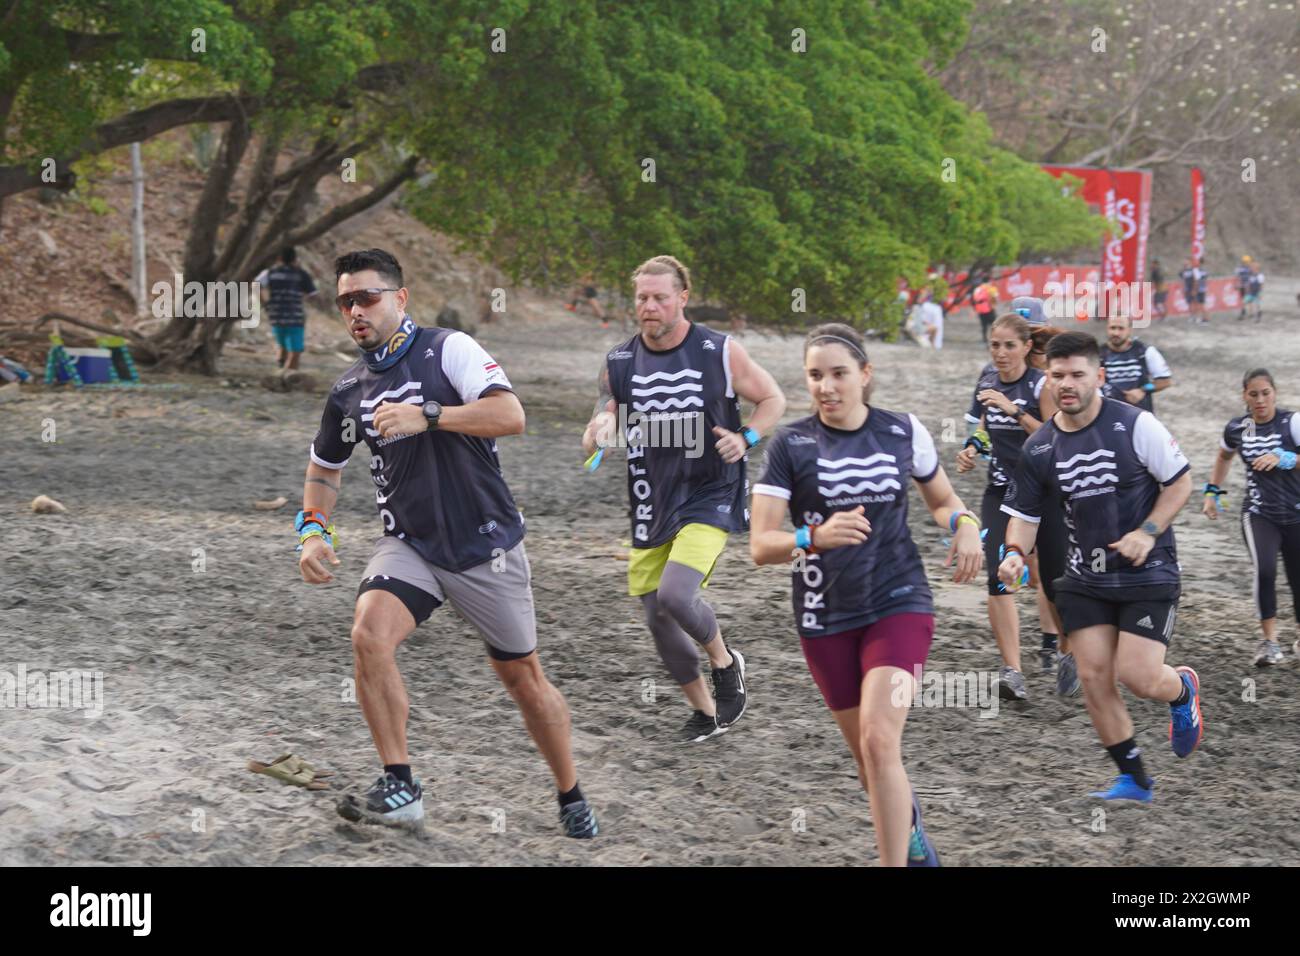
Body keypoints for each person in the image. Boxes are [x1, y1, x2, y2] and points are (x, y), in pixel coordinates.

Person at [298, 247, 598, 837]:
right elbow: (324, 470)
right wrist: (312, 531)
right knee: (368, 633)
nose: (355, 310)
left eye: (366, 297)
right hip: (409, 543)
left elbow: (511, 415)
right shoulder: (349, 389)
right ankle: (401, 785)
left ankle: (570, 790)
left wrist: (427, 414)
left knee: (524, 683)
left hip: (486, 546)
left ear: (400, 298)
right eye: (344, 302)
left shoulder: (448, 349)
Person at [750, 322, 982, 867]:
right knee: (866, 759)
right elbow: (761, 545)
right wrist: (814, 536)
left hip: (899, 601)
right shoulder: (791, 445)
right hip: (823, 614)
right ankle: (912, 826)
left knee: (881, 742)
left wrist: (966, 523)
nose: (826, 386)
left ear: (865, 375)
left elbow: (943, 498)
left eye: (838, 374)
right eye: (814, 376)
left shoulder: (903, 431)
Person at [582, 254, 786, 742]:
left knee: (677, 595)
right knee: (657, 614)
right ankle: (706, 711)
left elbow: (773, 399)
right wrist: (600, 428)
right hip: (652, 496)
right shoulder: (619, 360)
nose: (649, 307)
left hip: (711, 490)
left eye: (660, 298)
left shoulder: (719, 350)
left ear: (682, 299)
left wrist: (747, 439)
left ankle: (724, 659)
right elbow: (595, 431)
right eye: (642, 298)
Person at [999, 331, 1202, 803]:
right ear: (1047, 379)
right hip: (1084, 579)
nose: (1067, 384)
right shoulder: (1041, 447)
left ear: (1099, 376)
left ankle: (1181, 691)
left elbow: (1180, 484)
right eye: (1058, 375)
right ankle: (1134, 779)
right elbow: (1024, 519)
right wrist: (1012, 555)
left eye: (1077, 374)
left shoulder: (1135, 424)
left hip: (1146, 572)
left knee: (1138, 676)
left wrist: (1146, 532)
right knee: (1092, 675)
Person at [956, 313, 1056, 699]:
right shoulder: (986, 380)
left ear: (1027, 347)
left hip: (1044, 493)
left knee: (1051, 576)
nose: (1000, 353)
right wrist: (971, 449)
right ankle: (1012, 671)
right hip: (1001, 491)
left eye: (1009, 345)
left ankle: (1060, 647)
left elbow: (1053, 435)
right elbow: (983, 428)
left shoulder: (1041, 383)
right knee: (999, 577)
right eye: (995, 345)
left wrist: (1013, 408)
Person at [1205, 369, 1300, 666]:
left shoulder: (1292, 423)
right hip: (1259, 513)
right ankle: (1269, 642)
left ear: (1275, 392)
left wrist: (1287, 458)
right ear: (1244, 396)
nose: (1260, 400)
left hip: (1296, 513)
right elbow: (1224, 456)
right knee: (1265, 570)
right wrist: (1213, 491)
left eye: (1265, 393)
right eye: (1253, 394)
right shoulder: (1238, 428)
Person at [257, 247, 318, 370]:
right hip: (294, 316)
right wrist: (299, 298)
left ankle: (281, 366)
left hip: (275, 314)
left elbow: (256, 285)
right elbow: (313, 294)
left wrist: (265, 303)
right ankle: (289, 374)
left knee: (282, 342)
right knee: (295, 349)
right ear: (295, 259)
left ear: (279, 259)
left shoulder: (270, 273)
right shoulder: (301, 274)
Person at [1099, 313, 1174, 413]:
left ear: (1130, 330)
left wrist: (1143, 390)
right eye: (1112, 328)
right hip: (1108, 414)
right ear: (1107, 328)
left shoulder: (1145, 352)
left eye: (1121, 328)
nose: (1116, 333)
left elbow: (1165, 381)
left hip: (1140, 415)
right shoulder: (1098, 355)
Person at [973, 279, 999, 343]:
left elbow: (975, 299)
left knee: (984, 326)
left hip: (981, 310)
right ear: (989, 281)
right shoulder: (991, 288)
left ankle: (984, 339)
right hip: (990, 309)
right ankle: (996, 338)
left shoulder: (977, 289)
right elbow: (995, 297)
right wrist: (994, 305)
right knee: (994, 325)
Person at [1235, 256, 1254, 321]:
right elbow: (1237, 277)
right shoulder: (1247, 269)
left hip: (1246, 286)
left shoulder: (1241, 269)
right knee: (1245, 299)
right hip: (1244, 286)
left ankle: (1248, 313)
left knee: (1247, 299)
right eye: (1247, 262)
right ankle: (1245, 312)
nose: (1248, 263)